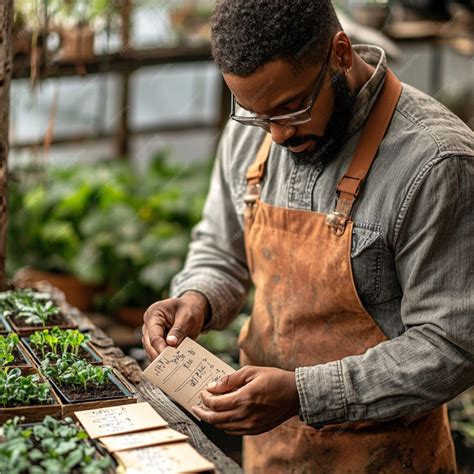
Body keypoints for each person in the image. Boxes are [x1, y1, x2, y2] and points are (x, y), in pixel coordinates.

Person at [142, 0, 474, 472]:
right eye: (255, 114)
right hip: (272, 452)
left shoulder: (436, 163)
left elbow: (451, 344)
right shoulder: (255, 129)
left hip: (386, 458)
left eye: (290, 109)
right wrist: (195, 299)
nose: (275, 135)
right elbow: (219, 248)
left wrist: (302, 393)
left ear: (340, 52)